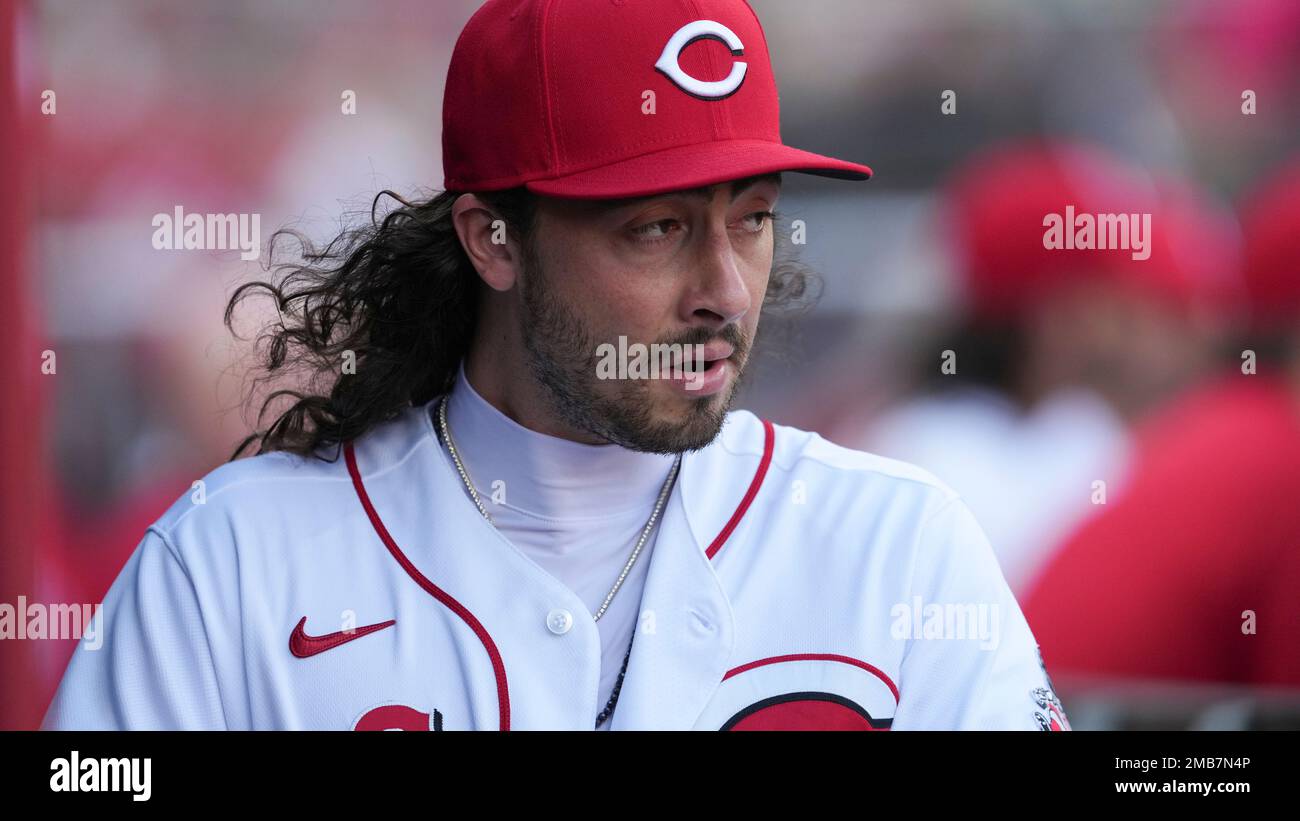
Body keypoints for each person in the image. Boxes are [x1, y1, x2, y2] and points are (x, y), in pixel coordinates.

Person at [42, 0, 1065, 731]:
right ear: (493, 239)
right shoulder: (229, 564)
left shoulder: (897, 539)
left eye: (751, 221)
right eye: (658, 228)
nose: (728, 288)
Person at [843, 139, 1235, 594]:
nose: (1136, 328)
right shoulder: (935, 454)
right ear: (1052, 314)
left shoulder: (1080, 432)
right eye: (1115, 298)